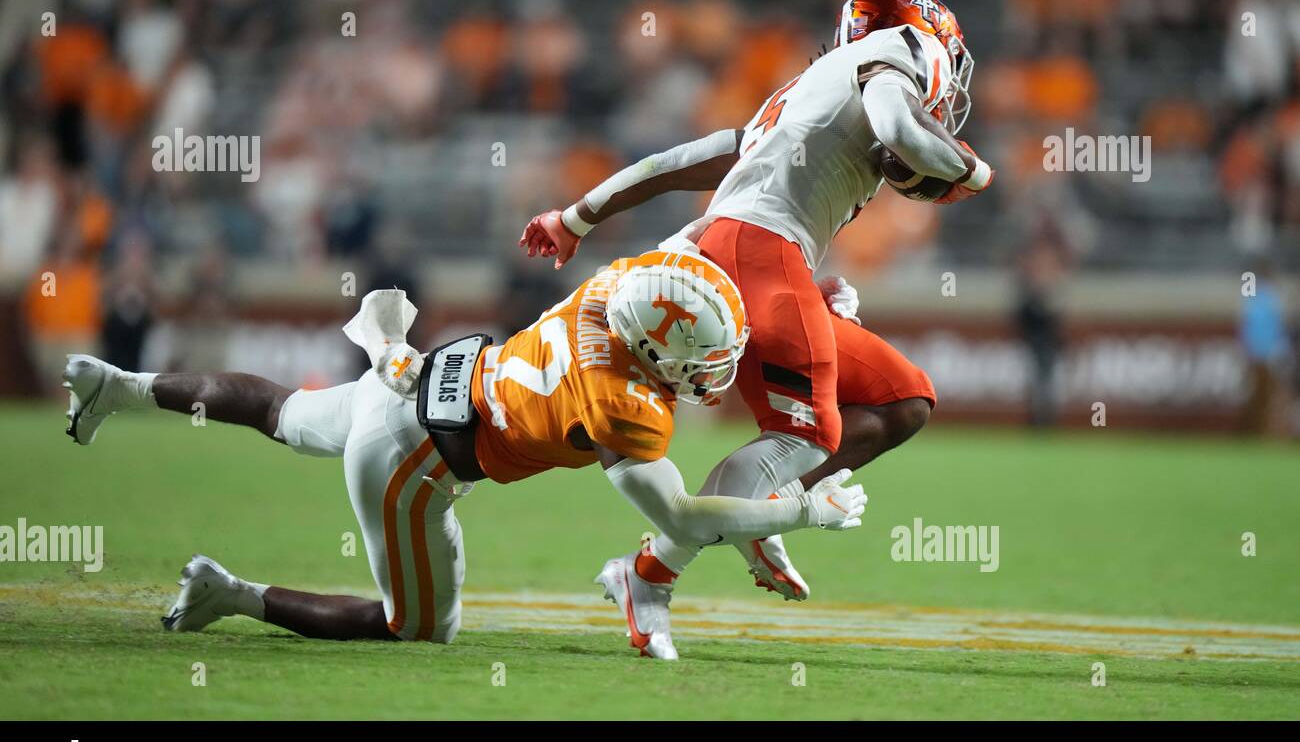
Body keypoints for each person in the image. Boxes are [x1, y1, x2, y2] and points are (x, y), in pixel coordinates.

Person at [63, 250, 865, 660]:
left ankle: (119, 388)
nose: (714, 367)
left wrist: (812, 305)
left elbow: (701, 283)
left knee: (278, 408)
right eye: (703, 355)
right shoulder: (622, 403)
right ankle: (228, 595)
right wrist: (801, 507)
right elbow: (684, 515)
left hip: (413, 385)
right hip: (416, 458)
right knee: (416, 630)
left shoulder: (620, 286)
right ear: (655, 347)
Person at [521, 0, 995, 606]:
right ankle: (657, 573)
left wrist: (578, 216)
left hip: (746, 260)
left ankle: (744, 516)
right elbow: (898, 124)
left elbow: (685, 161)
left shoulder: (808, 91)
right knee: (808, 435)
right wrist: (971, 170)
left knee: (900, 399)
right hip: (754, 252)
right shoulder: (897, 46)